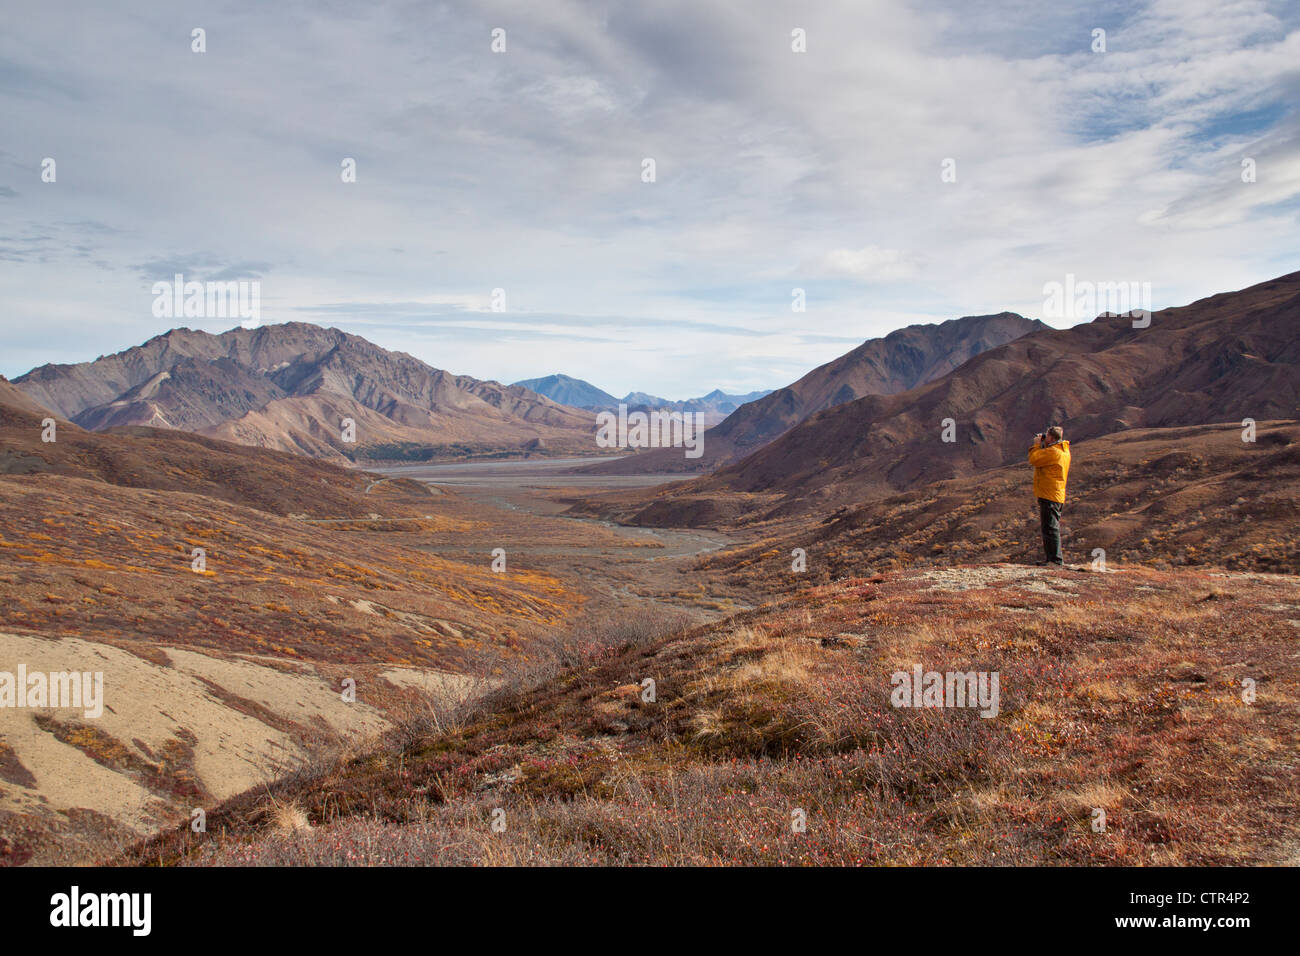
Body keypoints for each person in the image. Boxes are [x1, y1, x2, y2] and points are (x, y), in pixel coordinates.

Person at [1028, 425, 1070, 566]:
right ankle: (1052, 559)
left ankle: (1055, 560)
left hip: (1049, 493)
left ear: (1051, 437)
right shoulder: (1063, 451)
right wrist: (1043, 445)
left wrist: (1036, 445)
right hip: (1055, 493)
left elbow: (1034, 459)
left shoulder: (1053, 452)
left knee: (1050, 528)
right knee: (1050, 527)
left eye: (1047, 436)